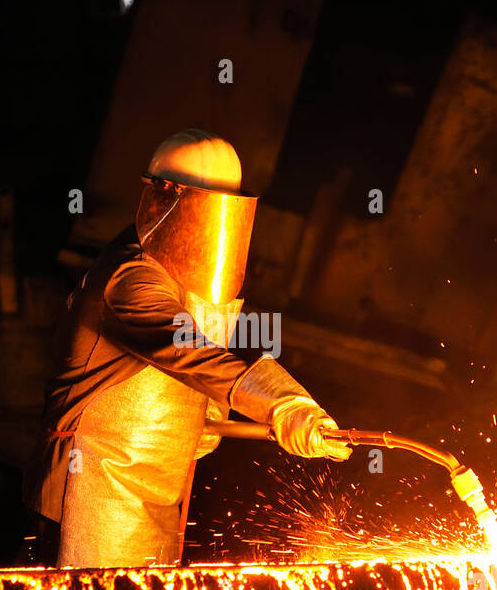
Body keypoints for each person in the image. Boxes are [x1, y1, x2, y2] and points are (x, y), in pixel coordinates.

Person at [22, 130, 349, 567]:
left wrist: (210, 415)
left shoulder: (178, 274)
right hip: (88, 487)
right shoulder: (131, 278)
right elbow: (189, 352)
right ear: (165, 198)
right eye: (205, 204)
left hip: (150, 488)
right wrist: (281, 405)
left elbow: (201, 363)